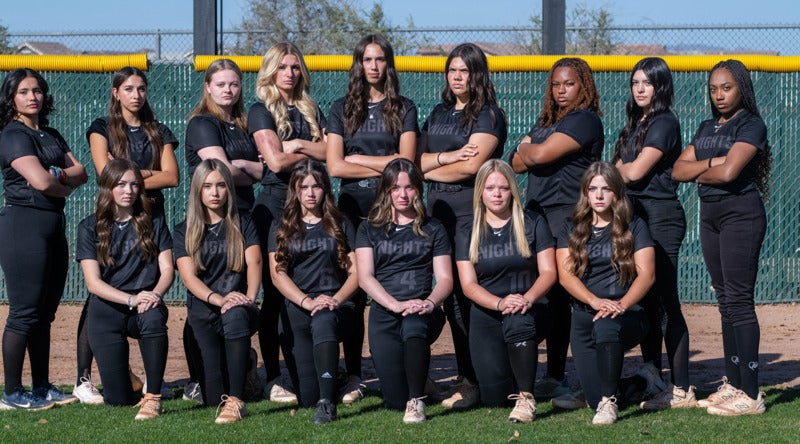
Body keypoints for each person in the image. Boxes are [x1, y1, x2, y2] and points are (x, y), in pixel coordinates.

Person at [75, 66, 180, 404]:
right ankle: (83, 377)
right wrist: (138, 177)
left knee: (148, 292)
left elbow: (173, 177)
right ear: (116, 92)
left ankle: (153, 384)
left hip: (150, 217)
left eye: (142, 88)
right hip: (113, 215)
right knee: (101, 294)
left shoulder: (158, 131)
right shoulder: (101, 128)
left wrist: (129, 175)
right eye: (129, 88)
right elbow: (107, 174)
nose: (136, 94)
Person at [672, 59, 770, 416]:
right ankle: (734, 383)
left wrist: (710, 168)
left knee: (740, 301)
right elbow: (678, 170)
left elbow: (730, 173)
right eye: (714, 89)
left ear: (741, 88)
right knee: (725, 301)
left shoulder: (752, 124)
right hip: (711, 216)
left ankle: (752, 393)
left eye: (726, 88)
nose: (719, 95)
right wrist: (711, 166)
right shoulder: (706, 126)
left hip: (740, 215)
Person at [327, 34, 419, 404]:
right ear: (359, 65)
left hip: (392, 211)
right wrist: (384, 162)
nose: (374, 67)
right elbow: (334, 165)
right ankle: (353, 374)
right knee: (353, 294)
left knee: (398, 287)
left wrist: (358, 158)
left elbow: (407, 165)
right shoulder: (341, 108)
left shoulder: (404, 107)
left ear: (389, 64)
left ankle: (404, 369)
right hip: (351, 211)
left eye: (380, 60)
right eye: (367, 60)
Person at [418, 43, 507, 409]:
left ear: (478, 75)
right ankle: (459, 376)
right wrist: (444, 158)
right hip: (434, 214)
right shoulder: (438, 112)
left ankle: (478, 379)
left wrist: (429, 168)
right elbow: (412, 161)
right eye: (453, 70)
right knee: (441, 296)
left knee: (468, 300)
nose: (458, 77)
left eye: (466, 71)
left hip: (469, 214)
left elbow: (473, 168)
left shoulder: (488, 113)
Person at [511, 57, 604, 400]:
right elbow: (515, 164)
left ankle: (575, 379)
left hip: (569, 216)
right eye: (556, 84)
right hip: (538, 215)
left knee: (570, 296)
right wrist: (527, 150)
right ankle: (546, 375)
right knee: (546, 297)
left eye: (569, 84)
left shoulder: (585, 120)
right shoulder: (546, 121)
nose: (561, 90)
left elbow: (532, 156)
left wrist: (526, 147)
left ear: (584, 87)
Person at [0, 68, 87, 410]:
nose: (32, 96)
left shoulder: (50, 134)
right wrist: (60, 180)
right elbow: (39, 182)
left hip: (52, 224)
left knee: (45, 313)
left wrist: (59, 175)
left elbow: (81, 171)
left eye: (37, 90)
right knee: (23, 312)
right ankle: (12, 392)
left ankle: (40, 387)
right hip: (24, 225)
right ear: (12, 98)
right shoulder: (11, 134)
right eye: (23, 91)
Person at [611, 57, 695, 410]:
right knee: (645, 299)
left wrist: (619, 172)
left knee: (665, 303)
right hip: (634, 216)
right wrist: (618, 173)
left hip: (660, 217)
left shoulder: (664, 121)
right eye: (635, 83)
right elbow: (617, 170)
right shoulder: (633, 124)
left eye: (647, 82)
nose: (640, 88)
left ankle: (682, 389)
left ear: (661, 87)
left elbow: (632, 172)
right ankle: (654, 377)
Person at [250, 42, 328, 403]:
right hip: (276, 205)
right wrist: (308, 148)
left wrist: (295, 142)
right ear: (271, 70)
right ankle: (274, 375)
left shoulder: (310, 108)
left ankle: (310, 368)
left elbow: (333, 152)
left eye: (295, 67)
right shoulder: (260, 109)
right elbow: (276, 163)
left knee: (312, 286)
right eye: (282, 67)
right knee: (276, 296)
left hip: (312, 205)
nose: (290, 73)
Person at [456, 160, 556, 422]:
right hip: (488, 311)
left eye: (503, 187)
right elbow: (468, 285)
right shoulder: (467, 231)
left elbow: (549, 273)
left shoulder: (534, 223)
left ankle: (526, 397)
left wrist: (526, 299)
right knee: (495, 399)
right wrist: (500, 303)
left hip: (529, 308)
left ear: (514, 190)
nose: (497, 194)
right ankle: (513, 375)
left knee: (518, 320)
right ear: (480, 192)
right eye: (490, 188)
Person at [556, 162, 655, 425]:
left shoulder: (635, 225)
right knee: (592, 398)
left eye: (606, 189)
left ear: (617, 193)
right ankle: (642, 381)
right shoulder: (571, 227)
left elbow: (648, 275)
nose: (599, 195)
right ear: (585, 193)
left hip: (626, 314)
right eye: (593, 189)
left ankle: (610, 403)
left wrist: (621, 304)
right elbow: (565, 276)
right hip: (584, 314)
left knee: (607, 327)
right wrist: (594, 300)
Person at [184, 58, 260, 401]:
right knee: (203, 302)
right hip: (208, 219)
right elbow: (224, 172)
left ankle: (246, 368)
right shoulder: (203, 123)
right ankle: (198, 376)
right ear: (208, 87)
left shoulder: (243, 122)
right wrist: (253, 167)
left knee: (240, 295)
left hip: (242, 218)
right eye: (221, 84)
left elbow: (262, 167)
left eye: (234, 84)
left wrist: (249, 166)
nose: (228, 90)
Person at [355, 158, 451, 424]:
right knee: (394, 401)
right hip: (385, 312)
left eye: (409, 187)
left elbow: (445, 278)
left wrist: (430, 303)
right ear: (386, 190)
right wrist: (395, 305)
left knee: (413, 325)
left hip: (422, 311)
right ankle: (423, 383)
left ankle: (417, 400)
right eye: (395, 188)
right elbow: (365, 277)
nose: (402, 194)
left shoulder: (434, 228)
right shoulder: (369, 228)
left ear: (418, 190)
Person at [76, 159, 172, 420]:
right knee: (116, 401)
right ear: (108, 187)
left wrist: (155, 295)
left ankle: (154, 395)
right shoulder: (89, 226)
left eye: (134, 185)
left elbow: (167, 271)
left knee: (153, 318)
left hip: (145, 304)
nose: (128, 190)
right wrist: (131, 299)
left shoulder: (154, 221)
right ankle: (131, 382)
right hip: (108, 308)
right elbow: (93, 283)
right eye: (121, 184)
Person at [268, 159, 359, 423]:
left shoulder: (341, 222)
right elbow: (278, 274)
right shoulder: (281, 224)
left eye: (316, 186)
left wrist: (335, 299)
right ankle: (333, 375)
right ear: (294, 191)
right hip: (299, 307)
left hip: (335, 306)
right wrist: (307, 301)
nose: (310, 193)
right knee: (306, 397)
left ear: (325, 189)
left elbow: (356, 272)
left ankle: (328, 404)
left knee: (324, 319)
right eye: (303, 187)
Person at [174, 159, 262, 424]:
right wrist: (219, 298)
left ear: (229, 189)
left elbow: (255, 262)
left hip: (238, 307)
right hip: (204, 310)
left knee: (235, 315)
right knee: (213, 397)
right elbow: (189, 278)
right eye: (208, 186)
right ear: (198, 190)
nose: (215, 193)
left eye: (221, 185)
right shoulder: (183, 230)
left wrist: (248, 299)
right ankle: (245, 362)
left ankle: (236, 401)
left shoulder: (243, 222)